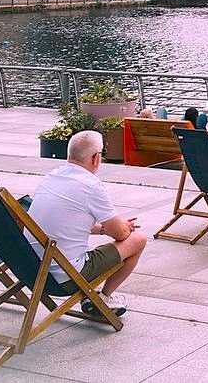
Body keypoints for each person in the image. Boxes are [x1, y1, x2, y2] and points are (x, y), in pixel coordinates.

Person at [25, 130, 146, 318]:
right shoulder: (91, 185)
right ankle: (103, 297)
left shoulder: (52, 176)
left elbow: (64, 221)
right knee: (138, 240)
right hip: (65, 277)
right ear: (96, 158)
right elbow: (121, 234)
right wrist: (123, 227)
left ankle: (94, 297)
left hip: (32, 269)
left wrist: (102, 230)